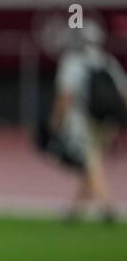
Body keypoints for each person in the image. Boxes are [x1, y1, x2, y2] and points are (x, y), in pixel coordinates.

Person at [48, 21, 126, 222]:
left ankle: (106, 206)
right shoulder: (107, 61)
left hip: (83, 120)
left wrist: (56, 122)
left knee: (90, 163)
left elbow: (66, 96)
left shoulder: (73, 62)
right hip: (107, 120)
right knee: (92, 162)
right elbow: (123, 93)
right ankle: (75, 210)